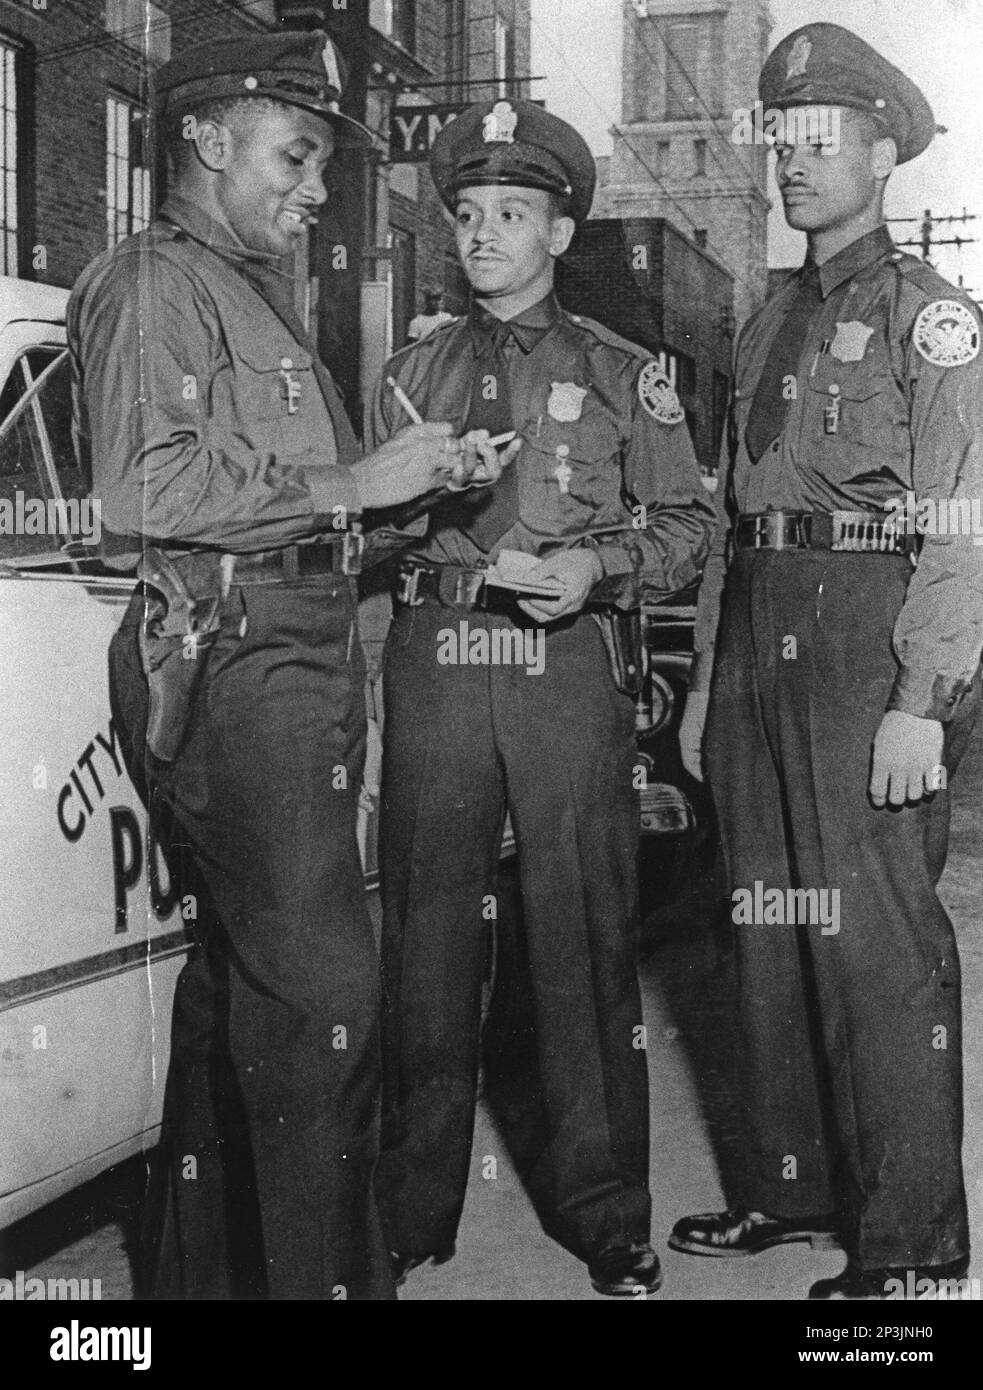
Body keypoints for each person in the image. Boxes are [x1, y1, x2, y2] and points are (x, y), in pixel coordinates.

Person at [67, 30, 487, 1301]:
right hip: (237, 663)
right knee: (322, 1006)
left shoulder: (242, 291)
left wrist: (411, 490)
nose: (314, 190)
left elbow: (288, 512)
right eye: (295, 157)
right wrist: (356, 482)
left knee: (245, 991)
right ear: (205, 140)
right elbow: (143, 492)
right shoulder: (153, 283)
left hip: (284, 648)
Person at [369, 98, 715, 1297]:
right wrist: (409, 506)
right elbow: (361, 536)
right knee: (422, 941)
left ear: (559, 233)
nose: (483, 234)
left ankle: (606, 1216)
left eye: (511, 213)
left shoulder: (620, 374)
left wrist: (597, 569)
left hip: (561, 665)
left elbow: (688, 526)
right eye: (468, 213)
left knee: (581, 938)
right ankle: (407, 1210)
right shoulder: (409, 373)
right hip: (434, 657)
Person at [670, 23, 983, 1299]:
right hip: (757, 625)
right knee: (765, 920)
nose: (790, 162)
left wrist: (923, 699)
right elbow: (729, 519)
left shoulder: (931, 319)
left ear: (880, 152)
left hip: (864, 623)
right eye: (780, 140)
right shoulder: (762, 322)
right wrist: (704, 682)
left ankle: (908, 1242)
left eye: (817, 139)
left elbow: (962, 519)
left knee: (873, 940)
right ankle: (790, 1189)